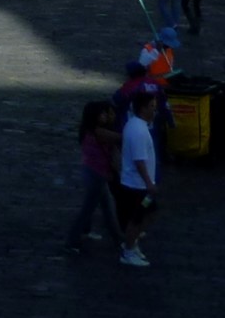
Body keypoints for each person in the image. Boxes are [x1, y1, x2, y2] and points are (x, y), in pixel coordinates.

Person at [62, 101, 123, 256]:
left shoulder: (90, 130)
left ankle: (115, 239)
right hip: (96, 175)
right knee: (91, 210)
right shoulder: (99, 132)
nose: (106, 116)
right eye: (103, 113)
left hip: (94, 174)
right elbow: (119, 138)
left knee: (103, 208)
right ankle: (72, 241)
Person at [115, 86, 162, 267]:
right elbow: (139, 161)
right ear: (142, 108)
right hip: (137, 186)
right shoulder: (139, 131)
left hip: (137, 184)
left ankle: (132, 244)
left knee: (148, 214)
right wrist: (149, 183)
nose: (155, 110)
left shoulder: (134, 125)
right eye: (152, 106)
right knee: (138, 219)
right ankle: (128, 250)